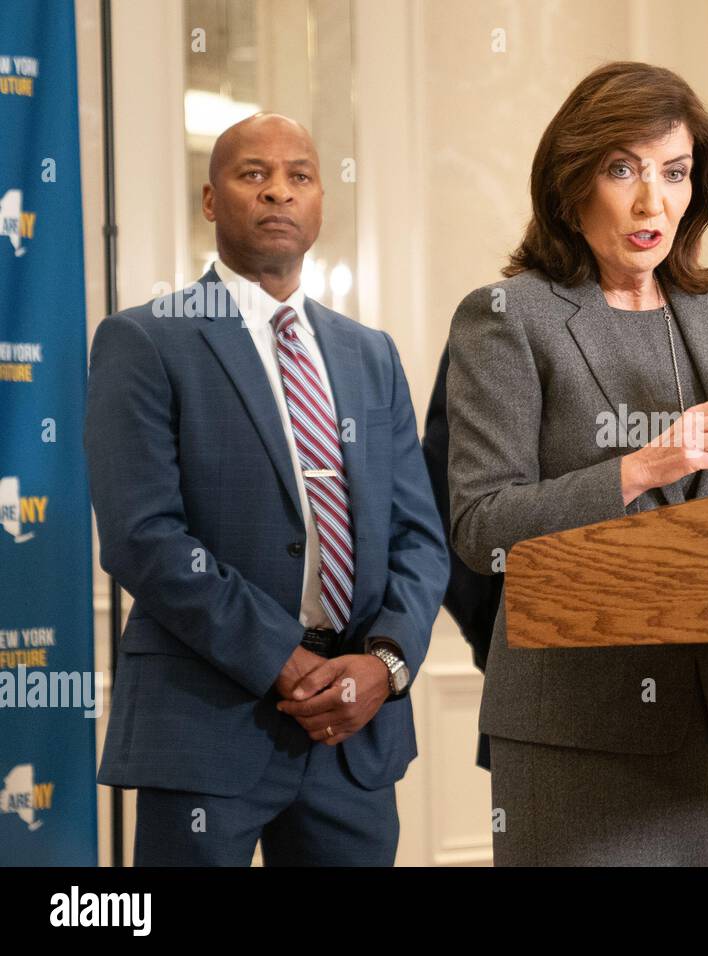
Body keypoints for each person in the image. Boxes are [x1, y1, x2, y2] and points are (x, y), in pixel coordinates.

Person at [446, 61, 708, 866]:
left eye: (676, 172)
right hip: (574, 730)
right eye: (624, 169)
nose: (653, 200)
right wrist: (640, 466)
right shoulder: (507, 318)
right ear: (573, 180)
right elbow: (482, 529)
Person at [84, 113, 448, 866]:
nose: (279, 192)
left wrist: (385, 664)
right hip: (207, 726)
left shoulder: (369, 355)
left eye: (300, 176)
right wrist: (282, 656)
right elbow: (142, 537)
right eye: (254, 174)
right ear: (212, 200)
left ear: (320, 203)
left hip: (353, 736)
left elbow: (420, 537)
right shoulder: (145, 339)